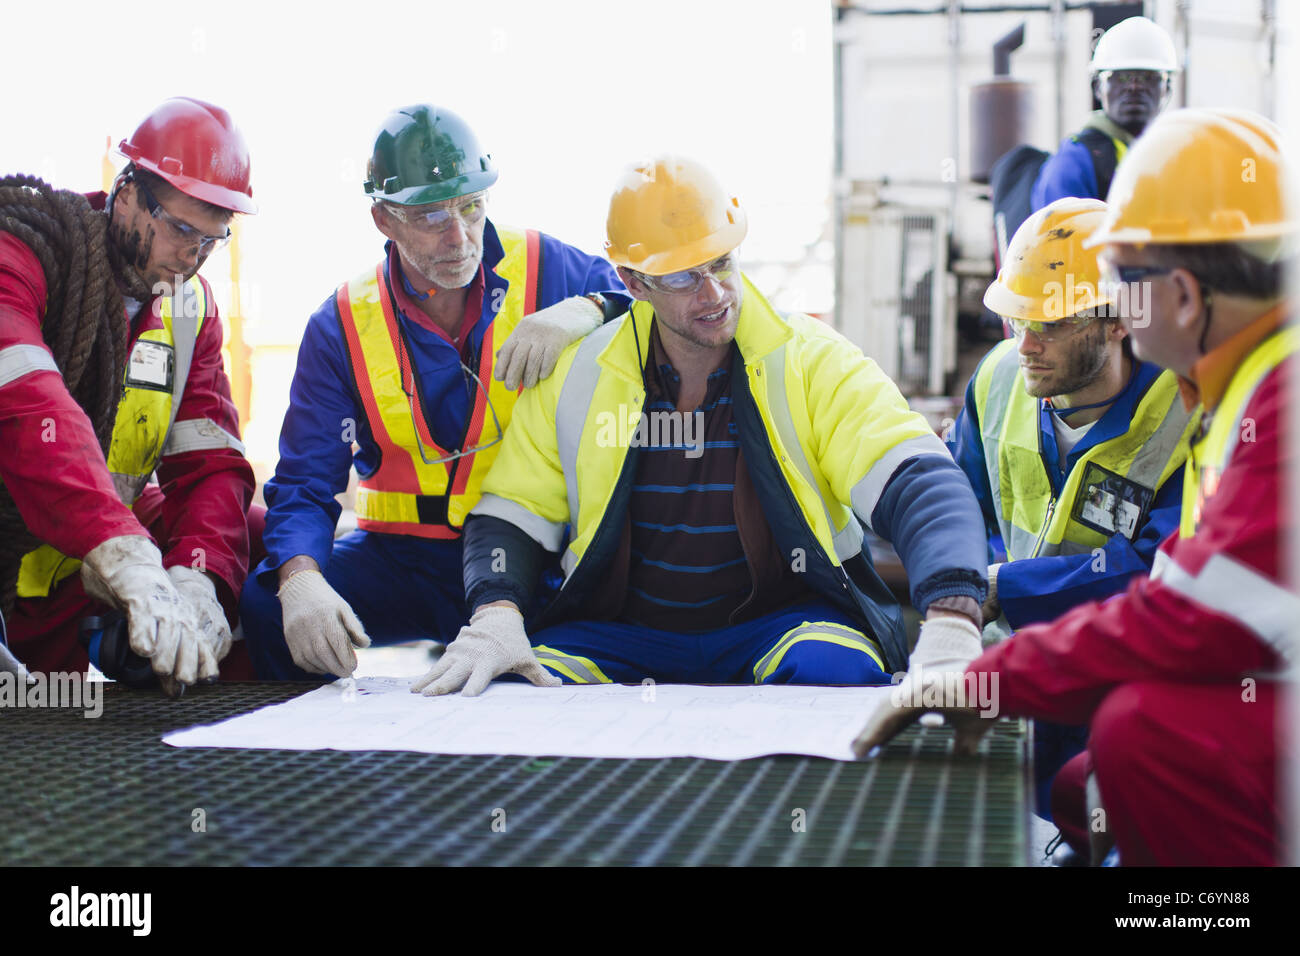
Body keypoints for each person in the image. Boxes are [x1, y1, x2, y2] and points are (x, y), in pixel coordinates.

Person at [856, 108, 1297, 866]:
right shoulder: (1235, 388)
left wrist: (990, 678)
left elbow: (1193, 621)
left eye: (1125, 281)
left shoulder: (1276, 407)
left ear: (1183, 297)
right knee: (1080, 789)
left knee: (1139, 735)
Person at [412, 156, 990, 697]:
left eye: (720, 263)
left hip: (782, 625)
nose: (714, 294)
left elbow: (918, 481)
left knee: (837, 670)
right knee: (514, 689)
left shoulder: (812, 361)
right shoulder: (576, 374)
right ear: (634, 284)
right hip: (621, 633)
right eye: (684, 278)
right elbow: (511, 511)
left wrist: (952, 614)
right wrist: (495, 615)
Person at [240, 104, 627, 680]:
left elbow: (660, 299)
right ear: (384, 220)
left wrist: (595, 305)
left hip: (525, 555)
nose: (459, 237)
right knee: (265, 607)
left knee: (587, 661)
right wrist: (300, 579)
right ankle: (308, 762)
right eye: (429, 216)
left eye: (470, 207)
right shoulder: (340, 324)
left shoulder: (551, 270)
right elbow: (304, 481)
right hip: (397, 560)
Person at [1, 97, 259, 693]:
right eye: (180, 229)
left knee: (258, 537)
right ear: (126, 192)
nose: (192, 257)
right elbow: (30, 404)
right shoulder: (25, 256)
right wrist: (124, 553)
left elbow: (211, 463)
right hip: (27, 572)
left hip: (85, 575)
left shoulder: (190, 310)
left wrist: (199, 580)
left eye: (211, 240)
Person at [947, 196, 1195, 814]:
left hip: (1122, 678)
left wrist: (1008, 584)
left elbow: (1153, 572)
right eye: (1016, 320)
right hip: (1013, 660)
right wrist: (955, 583)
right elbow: (955, 504)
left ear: (1118, 320)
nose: (1025, 344)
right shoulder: (999, 378)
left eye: (1051, 324)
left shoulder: (1184, 413)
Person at [1031, 15, 1178, 210]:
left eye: (1148, 77)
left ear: (1167, 88)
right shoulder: (1074, 159)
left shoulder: (1175, 154)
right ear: (1097, 87)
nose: (1134, 87)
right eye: (1121, 77)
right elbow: (1057, 236)